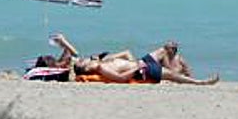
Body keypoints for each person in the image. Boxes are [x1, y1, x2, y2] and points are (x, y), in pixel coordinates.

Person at [53, 33, 219, 85]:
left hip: (140, 63)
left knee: (167, 48)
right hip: (141, 70)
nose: (86, 59)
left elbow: (125, 54)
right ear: (88, 68)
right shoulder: (101, 68)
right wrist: (136, 67)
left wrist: (63, 42)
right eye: (85, 62)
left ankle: (180, 72)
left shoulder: (102, 62)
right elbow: (121, 78)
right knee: (170, 70)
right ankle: (198, 82)